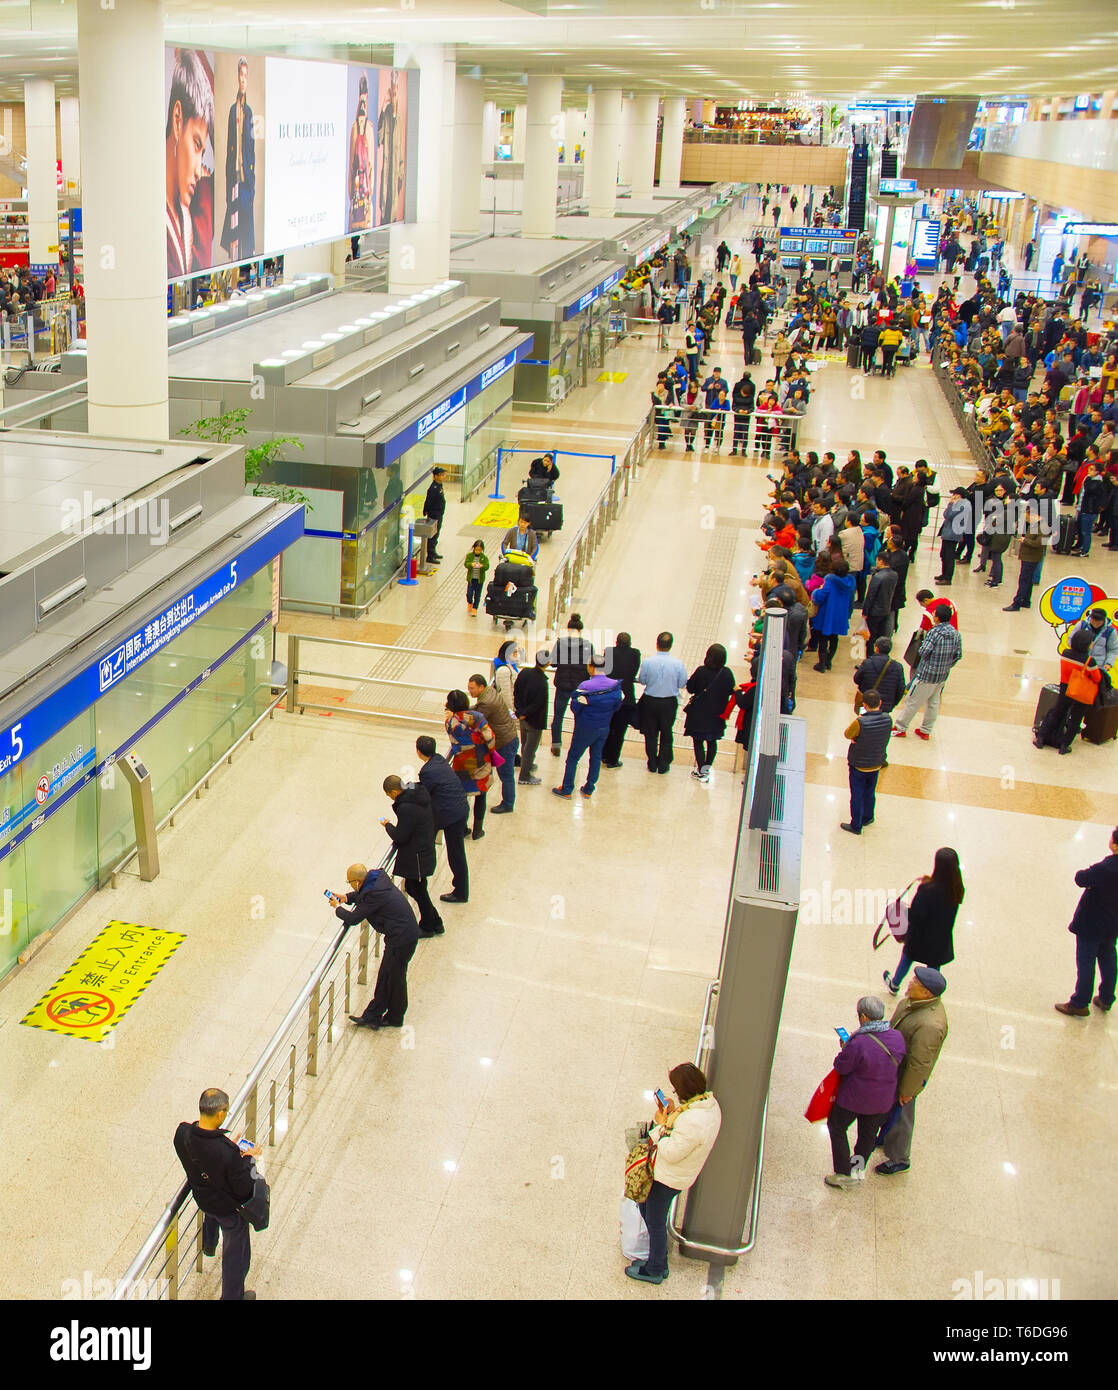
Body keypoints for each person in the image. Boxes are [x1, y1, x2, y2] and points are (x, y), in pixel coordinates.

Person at [625, 1063, 721, 1285]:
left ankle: (655, 1269)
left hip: (668, 1178)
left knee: (655, 1220)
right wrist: (671, 1112)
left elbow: (671, 1152)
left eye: (677, 1090)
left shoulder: (693, 1122)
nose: (675, 1093)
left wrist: (660, 1127)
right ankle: (657, 1260)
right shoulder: (707, 1105)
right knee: (646, 1208)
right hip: (674, 1174)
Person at [174, 1088, 261, 1300]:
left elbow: (207, 1159)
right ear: (220, 1113)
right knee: (235, 1255)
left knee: (211, 1214)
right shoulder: (226, 1152)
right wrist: (248, 1159)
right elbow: (243, 1188)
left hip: (203, 1198)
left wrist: (232, 1151)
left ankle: (210, 1243)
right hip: (227, 1210)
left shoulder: (182, 1134)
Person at [825, 997, 905, 1191]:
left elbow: (842, 1067)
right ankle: (857, 1169)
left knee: (837, 1127)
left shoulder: (858, 1042)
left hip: (854, 1099)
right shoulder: (897, 1037)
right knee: (867, 1136)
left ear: (863, 1016)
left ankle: (843, 1173)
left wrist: (845, 1047)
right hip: (882, 1100)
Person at [875, 967, 949, 1175]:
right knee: (887, 1108)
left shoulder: (930, 1025)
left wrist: (908, 1091)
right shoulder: (912, 1002)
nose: (910, 982)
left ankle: (899, 1158)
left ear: (926, 993)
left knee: (902, 1116)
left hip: (907, 1076)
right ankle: (884, 1136)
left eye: (915, 982)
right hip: (895, 1068)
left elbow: (920, 1062)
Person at [332, 862, 420, 1028]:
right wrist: (346, 898)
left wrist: (337, 907)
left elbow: (353, 918)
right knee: (393, 977)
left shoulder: (374, 894)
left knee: (389, 977)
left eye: (350, 882)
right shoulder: (377, 881)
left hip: (401, 939)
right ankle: (391, 1016)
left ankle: (380, 1016)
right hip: (404, 935)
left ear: (357, 882)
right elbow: (364, 896)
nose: (350, 885)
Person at [1054, 827, 1118, 1017]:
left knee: (1086, 960)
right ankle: (1106, 998)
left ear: (1115, 845)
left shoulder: (1106, 868)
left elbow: (1081, 878)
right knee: (1108, 957)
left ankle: (1080, 1003)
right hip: (1113, 924)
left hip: (1092, 922)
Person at [883, 848, 963, 993]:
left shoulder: (926, 890)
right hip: (941, 937)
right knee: (934, 965)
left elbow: (916, 916)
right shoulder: (957, 887)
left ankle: (894, 984)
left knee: (907, 958)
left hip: (920, 937)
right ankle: (932, 991)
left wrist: (903, 910)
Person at [165, 48, 215, 278]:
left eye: (202, 153)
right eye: (196, 144)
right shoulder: (152, 217)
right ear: (177, 120)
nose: (198, 170)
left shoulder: (188, 216)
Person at [379, 774, 443, 937]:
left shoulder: (406, 808)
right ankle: (435, 921)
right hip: (423, 851)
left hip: (417, 857)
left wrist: (388, 825)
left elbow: (401, 836)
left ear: (394, 792)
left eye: (389, 795)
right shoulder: (416, 791)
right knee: (414, 888)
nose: (390, 798)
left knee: (419, 891)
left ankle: (428, 926)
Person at [892, 604, 963, 741]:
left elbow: (924, 651)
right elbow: (958, 655)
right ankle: (925, 730)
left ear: (937, 618)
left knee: (912, 700)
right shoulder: (955, 633)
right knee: (933, 703)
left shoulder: (934, 632)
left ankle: (900, 728)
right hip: (942, 676)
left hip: (927, 675)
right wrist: (946, 666)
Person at [552, 661, 622, 797]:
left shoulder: (585, 686)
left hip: (585, 727)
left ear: (591, 667)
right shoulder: (614, 685)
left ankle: (567, 789)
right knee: (596, 757)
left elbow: (575, 707)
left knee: (573, 758)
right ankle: (589, 789)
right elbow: (617, 706)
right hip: (604, 727)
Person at [415, 736, 469, 905]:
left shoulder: (427, 771)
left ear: (418, 752)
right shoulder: (440, 760)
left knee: (455, 854)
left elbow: (424, 795)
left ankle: (461, 892)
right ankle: (460, 888)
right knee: (457, 852)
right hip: (460, 808)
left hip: (450, 815)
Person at [1034, 626, 1102, 756]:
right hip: (1080, 692)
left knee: (1057, 713)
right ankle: (1064, 746)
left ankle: (1041, 738)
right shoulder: (1089, 661)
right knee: (1076, 719)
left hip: (1065, 687)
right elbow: (1097, 678)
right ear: (1087, 644)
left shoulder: (1065, 654)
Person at [444, 690, 496, 840]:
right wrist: (491, 752)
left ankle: (463, 828)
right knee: (481, 796)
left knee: (463, 797)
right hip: (480, 762)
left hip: (462, 764)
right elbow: (490, 737)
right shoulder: (477, 717)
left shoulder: (449, 722)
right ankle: (477, 830)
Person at [839, 689, 892, 835]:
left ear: (865, 705)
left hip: (859, 765)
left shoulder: (860, 722)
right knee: (870, 791)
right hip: (876, 763)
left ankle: (856, 825)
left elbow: (847, 734)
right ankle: (868, 817)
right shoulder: (888, 719)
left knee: (857, 794)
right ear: (880, 703)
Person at [682, 643, 737, 782]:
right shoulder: (726, 673)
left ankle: (701, 770)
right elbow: (731, 690)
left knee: (698, 741)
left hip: (698, 714)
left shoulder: (701, 671)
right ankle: (706, 769)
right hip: (717, 714)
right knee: (712, 742)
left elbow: (690, 688)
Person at [636, 631, 689, 774]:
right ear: (671, 645)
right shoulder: (678, 664)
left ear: (657, 644)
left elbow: (642, 680)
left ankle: (652, 763)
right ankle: (664, 764)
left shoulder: (648, 662)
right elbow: (682, 683)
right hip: (668, 703)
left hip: (650, 701)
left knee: (650, 734)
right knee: (666, 733)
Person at [467, 672, 519, 814]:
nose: (470, 691)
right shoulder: (489, 692)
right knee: (506, 774)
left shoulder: (487, 702)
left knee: (506, 775)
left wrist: (459, 714)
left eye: (472, 688)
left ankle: (508, 804)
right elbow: (477, 710)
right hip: (508, 737)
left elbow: (476, 719)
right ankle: (508, 802)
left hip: (505, 742)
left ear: (481, 687)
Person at [220, 57, 256, 260]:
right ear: (237, 77)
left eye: (246, 76)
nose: (243, 80)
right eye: (241, 75)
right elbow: (229, 151)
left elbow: (252, 151)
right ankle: (234, 265)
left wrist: (252, 185)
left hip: (246, 182)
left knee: (246, 233)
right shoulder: (233, 111)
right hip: (234, 181)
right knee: (234, 233)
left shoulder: (248, 112)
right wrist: (228, 189)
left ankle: (245, 264)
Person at [547, 614, 598, 755]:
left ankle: (556, 745)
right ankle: (576, 745)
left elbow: (553, 663)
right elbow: (591, 666)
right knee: (579, 718)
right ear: (580, 631)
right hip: (580, 687)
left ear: (568, 629)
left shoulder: (560, 643)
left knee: (558, 716)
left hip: (562, 685)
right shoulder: (588, 646)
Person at [601, 632, 642, 769]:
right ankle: (613, 759)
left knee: (607, 726)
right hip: (626, 696)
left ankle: (603, 754)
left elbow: (605, 671)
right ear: (629, 643)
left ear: (616, 642)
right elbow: (633, 672)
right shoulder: (635, 654)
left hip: (609, 693)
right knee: (619, 731)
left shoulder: (609, 652)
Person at [811, 557, 855, 673]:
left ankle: (821, 664)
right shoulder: (850, 582)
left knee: (823, 639)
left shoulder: (830, 581)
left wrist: (816, 591)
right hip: (841, 614)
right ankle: (828, 661)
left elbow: (820, 596)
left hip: (827, 613)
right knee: (834, 638)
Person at [513, 649, 549, 787]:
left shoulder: (524, 673)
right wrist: (525, 713)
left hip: (523, 717)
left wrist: (520, 712)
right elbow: (537, 704)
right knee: (530, 748)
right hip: (534, 720)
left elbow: (516, 691)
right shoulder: (542, 682)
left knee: (525, 743)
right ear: (548, 663)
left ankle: (526, 765)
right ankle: (525, 775)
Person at [853, 637, 907, 715]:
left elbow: (856, 679)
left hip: (866, 704)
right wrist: (893, 703)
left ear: (876, 648)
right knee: (881, 721)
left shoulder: (867, 663)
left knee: (864, 719)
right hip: (885, 707)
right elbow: (901, 689)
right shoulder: (898, 667)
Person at [860, 551, 897, 649]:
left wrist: (865, 612)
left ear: (881, 561)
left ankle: (870, 655)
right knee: (880, 634)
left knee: (871, 637)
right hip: (885, 609)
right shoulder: (894, 575)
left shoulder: (878, 577)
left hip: (874, 611)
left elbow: (870, 596)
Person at [935, 487, 970, 585]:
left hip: (953, 533)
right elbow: (946, 514)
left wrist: (950, 504)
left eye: (954, 494)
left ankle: (947, 578)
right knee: (944, 554)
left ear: (959, 495)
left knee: (949, 556)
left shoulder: (962, 505)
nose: (952, 496)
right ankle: (944, 574)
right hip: (948, 532)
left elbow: (948, 515)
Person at [422, 467, 447, 563]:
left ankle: (433, 552)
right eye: (441, 475)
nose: (443, 476)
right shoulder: (433, 488)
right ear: (435, 476)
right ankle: (430, 556)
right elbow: (429, 501)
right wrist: (426, 511)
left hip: (439, 514)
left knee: (436, 534)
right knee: (432, 535)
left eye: (444, 475)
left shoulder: (439, 485)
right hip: (434, 514)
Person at [463, 539, 488, 616]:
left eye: (479, 550)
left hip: (479, 580)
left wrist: (482, 566)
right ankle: (470, 602)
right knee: (469, 593)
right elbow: (466, 564)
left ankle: (475, 608)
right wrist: (471, 565)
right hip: (471, 579)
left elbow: (487, 566)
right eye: (476, 549)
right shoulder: (469, 556)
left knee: (477, 595)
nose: (478, 551)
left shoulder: (484, 557)